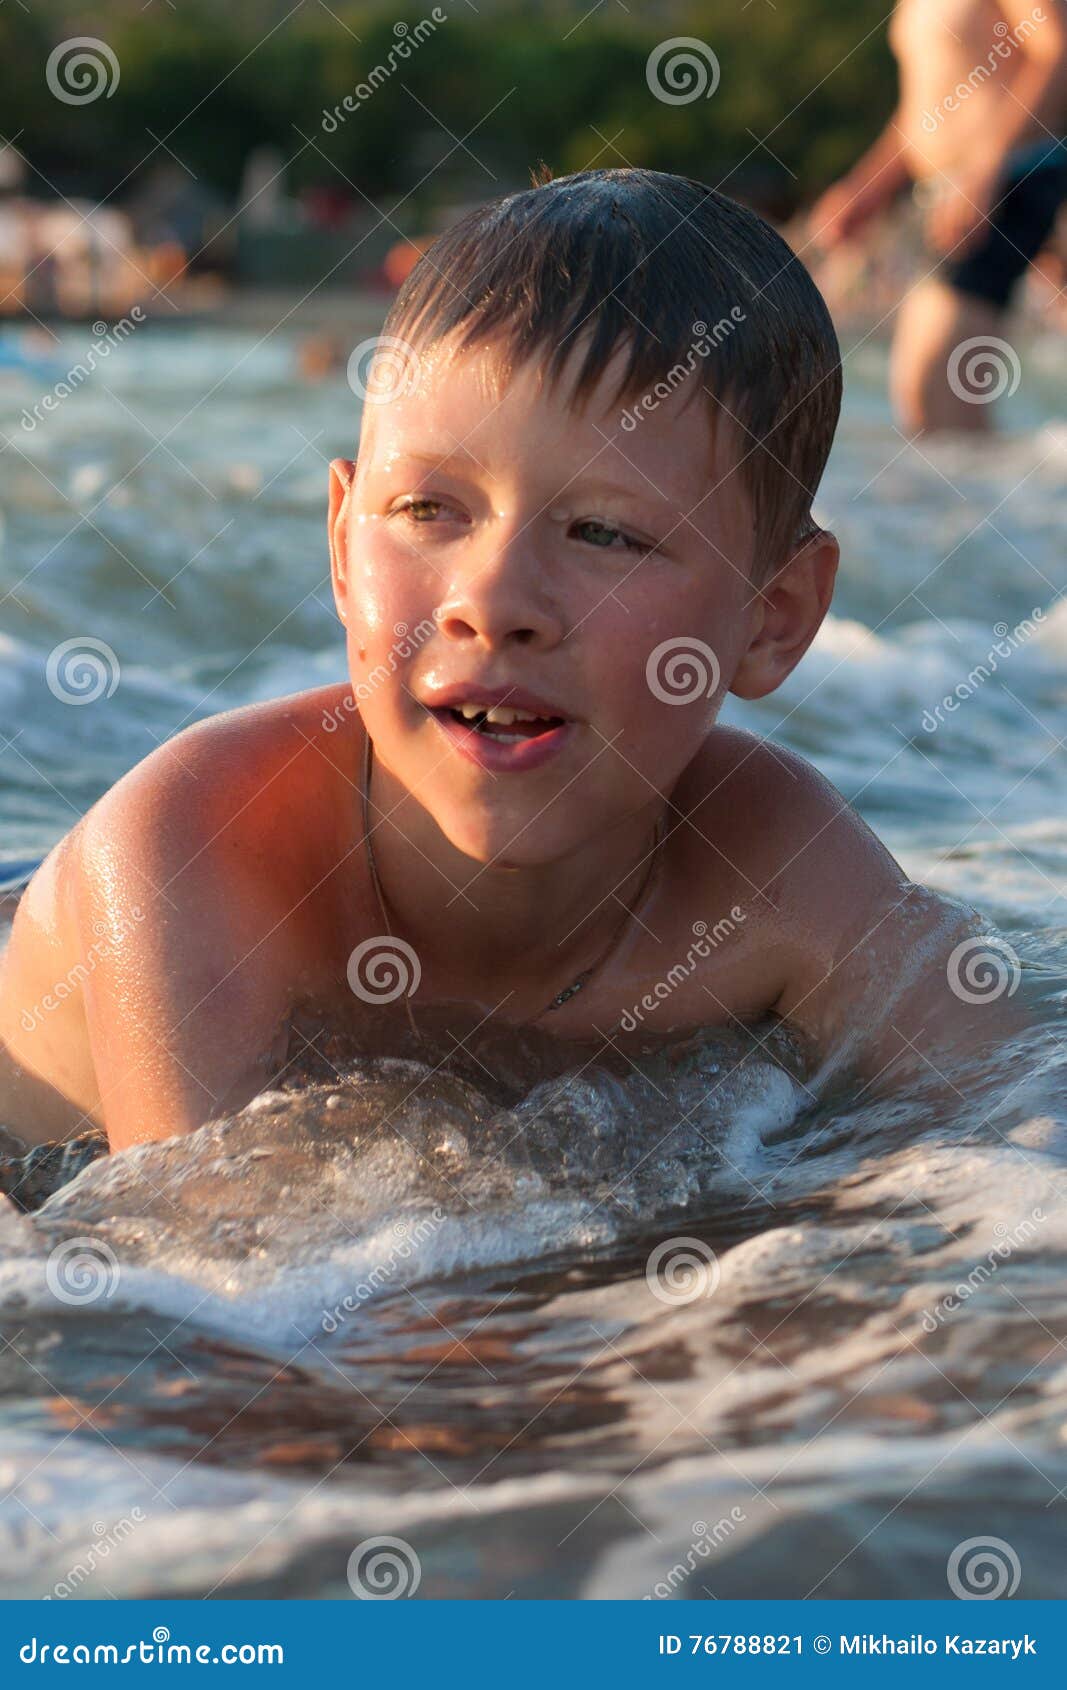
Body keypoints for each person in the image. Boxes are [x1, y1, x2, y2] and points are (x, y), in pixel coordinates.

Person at [0, 167, 1007, 1154]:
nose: (491, 604)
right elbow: (216, 1291)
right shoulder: (194, 854)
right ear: (344, 545)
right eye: (428, 510)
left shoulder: (775, 872)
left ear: (773, 616)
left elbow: (1012, 1155)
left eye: (604, 534)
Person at [810, 0, 1067, 432]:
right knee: (921, 395)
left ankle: (1008, 498)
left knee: (940, 384)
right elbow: (924, 107)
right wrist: (867, 187)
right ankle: (1002, 495)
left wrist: (988, 169)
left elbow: (1057, 50)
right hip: (942, 191)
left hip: (1011, 179)